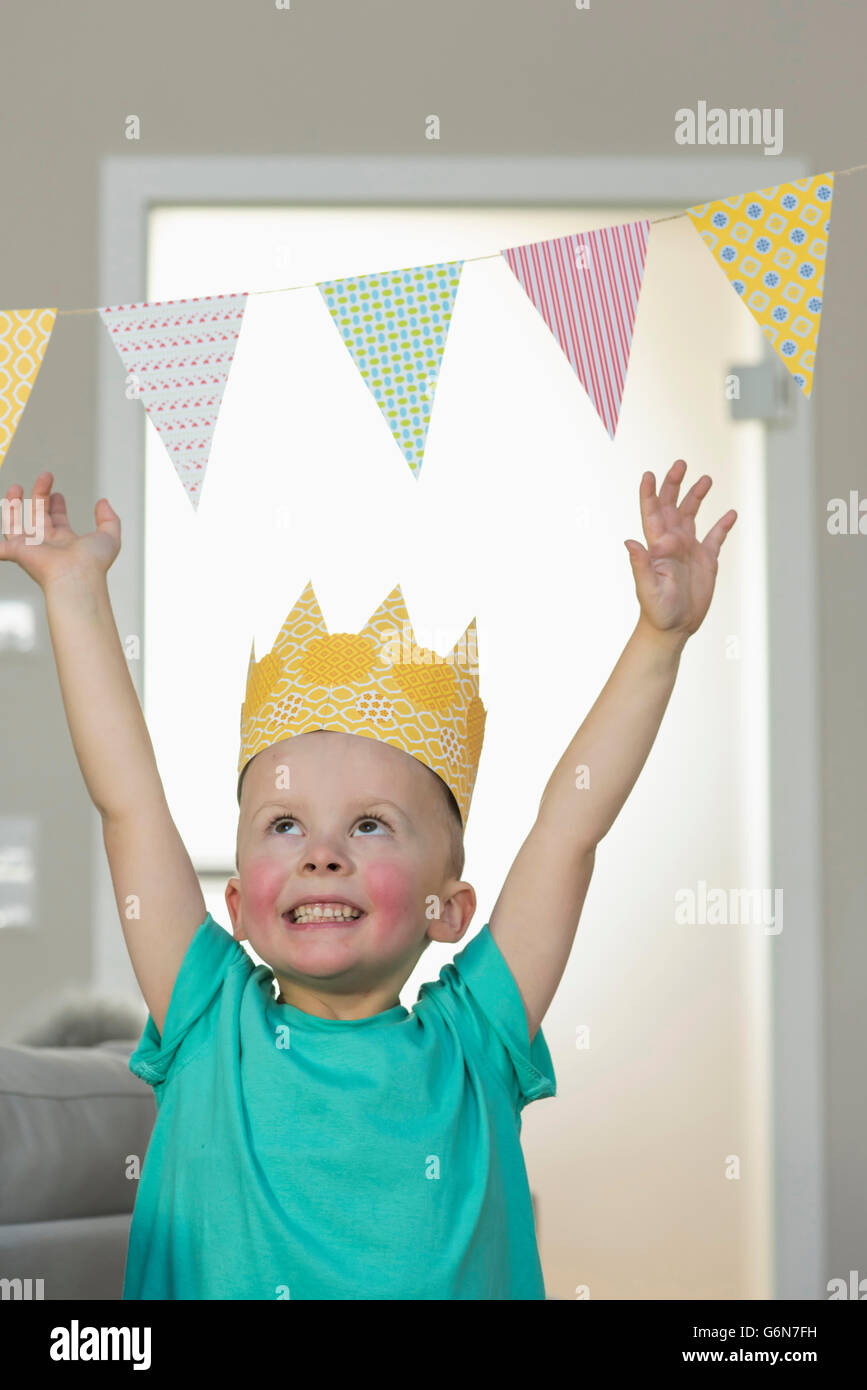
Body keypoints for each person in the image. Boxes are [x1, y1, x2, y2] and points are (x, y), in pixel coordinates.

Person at [0, 460, 736, 1299]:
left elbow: (570, 830)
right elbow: (127, 798)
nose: (322, 854)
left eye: (368, 825)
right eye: (285, 826)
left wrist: (659, 638)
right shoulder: (208, 1016)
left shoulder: (474, 1041)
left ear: (449, 909)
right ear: (236, 905)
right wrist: (72, 589)